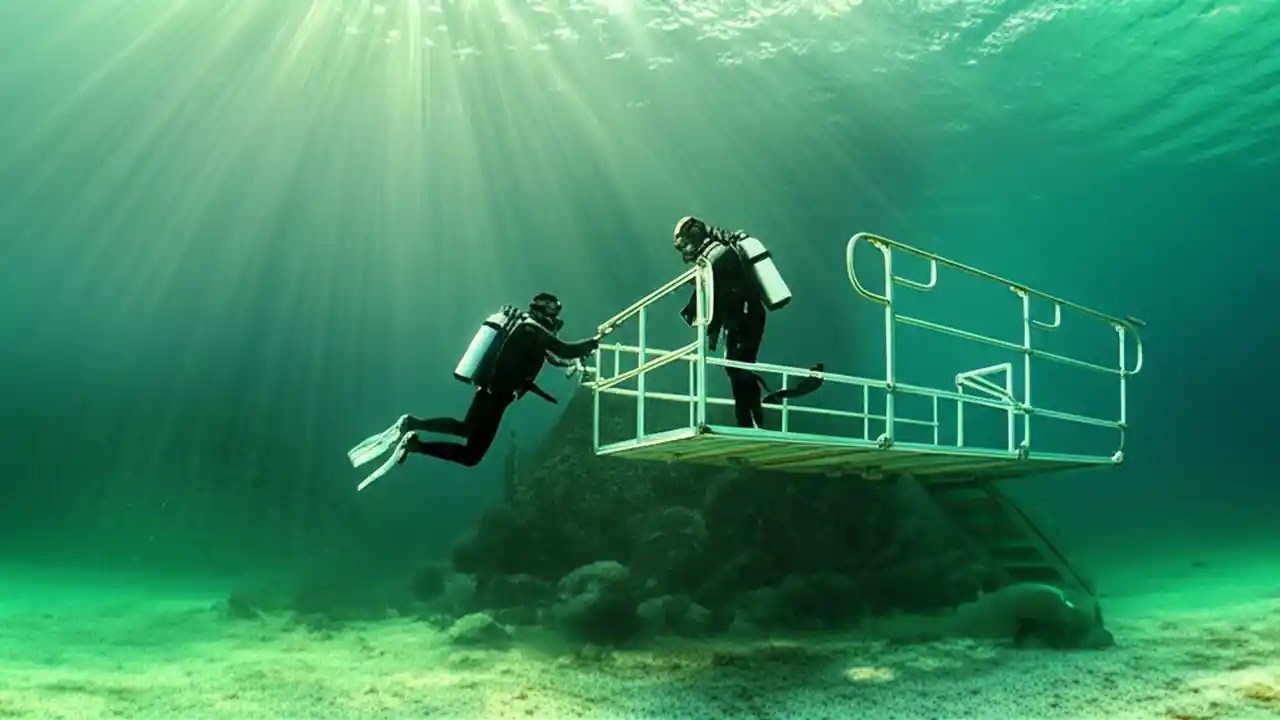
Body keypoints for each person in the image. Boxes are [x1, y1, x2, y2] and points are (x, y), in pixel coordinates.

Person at [348, 293, 599, 490]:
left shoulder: (531, 331)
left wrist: (578, 359)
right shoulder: (530, 328)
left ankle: (413, 438)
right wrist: (596, 341)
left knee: (467, 437)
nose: (556, 319)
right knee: (470, 448)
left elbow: (557, 357)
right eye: (554, 311)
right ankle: (412, 432)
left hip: (493, 396)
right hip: (494, 396)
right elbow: (564, 350)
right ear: (543, 311)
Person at [673, 216, 771, 428]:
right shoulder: (714, 254)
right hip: (745, 317)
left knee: (737, 368)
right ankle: (751, 422)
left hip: (745, 317)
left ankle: (750, 423)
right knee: (737, 368)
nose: (685, 252)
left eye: (684, 245)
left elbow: (721, 296)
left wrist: (710, 329)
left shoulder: (716, 256)